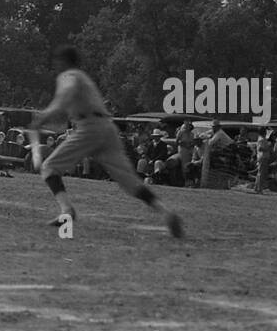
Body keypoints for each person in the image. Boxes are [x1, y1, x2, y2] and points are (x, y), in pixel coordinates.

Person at [33, 46, 183, 237]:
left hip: (89, 127)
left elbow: (65, 95)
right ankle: (166, 212)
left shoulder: (68, 75)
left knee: (49, 168)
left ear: (63, 61)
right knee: (129, 180)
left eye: (58, 61)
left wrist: (43, 117)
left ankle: (67, 210)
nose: (56, 65)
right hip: (107, 127)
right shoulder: (83, 77)